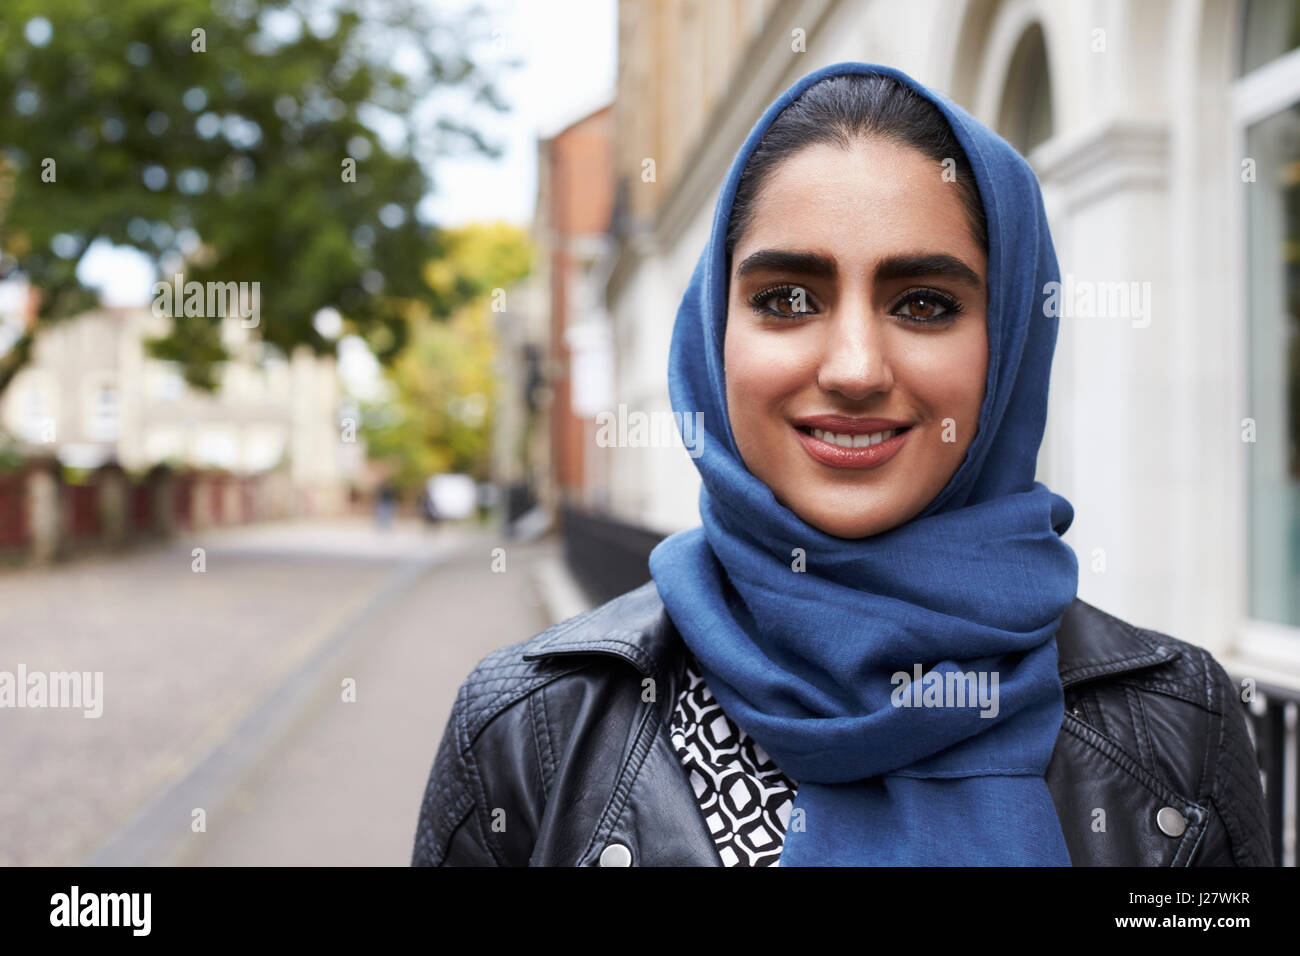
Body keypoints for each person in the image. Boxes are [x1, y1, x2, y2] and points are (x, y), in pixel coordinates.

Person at [411, 62, 1272, 867]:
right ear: (713, 336)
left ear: (1007, 343)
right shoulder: (531, 729)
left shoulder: (1180, 726)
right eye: (787, 300)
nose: (855, 367)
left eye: (924, 303)